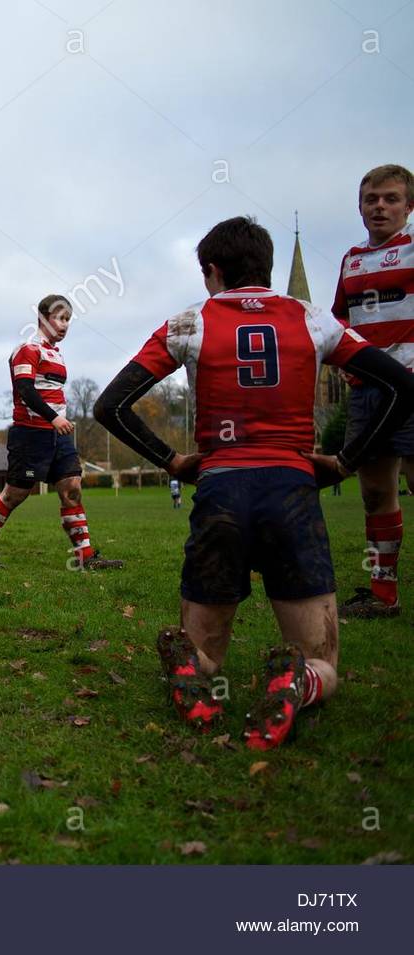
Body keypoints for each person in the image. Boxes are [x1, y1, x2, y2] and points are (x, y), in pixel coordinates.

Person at [94, 215, 414, 750]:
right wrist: (345, 459)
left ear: (212, 271)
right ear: (265, 267)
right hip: (291, 490)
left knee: (206, 656)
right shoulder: (313, 319)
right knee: (321, 660)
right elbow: (401, 384)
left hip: (221, 489)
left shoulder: (187, 324)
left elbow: (110, 405)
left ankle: (192, 672)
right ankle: (299, 681)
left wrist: (172, 460)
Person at [0, 295, 123, 571]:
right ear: (42, 318)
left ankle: (84, 557)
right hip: (30, 435)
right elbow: (26, 390)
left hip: (58, 435)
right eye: (59, 318)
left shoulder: (57, 353)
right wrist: (53, 418)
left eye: (68, 320)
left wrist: (57, 420)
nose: (64, 325)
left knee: (72, 489)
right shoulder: (27, 349)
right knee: (14, 495)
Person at [331, 164, 414, 618]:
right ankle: (384, 594)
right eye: (371, 199)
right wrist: (348, 358)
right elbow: (339, 318)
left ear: (408, 205)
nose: (380, 206)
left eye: (390, 198)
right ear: (360, 207)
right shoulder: (351, 260)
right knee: (374, 492)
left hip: (413, 387)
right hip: (368, 391)